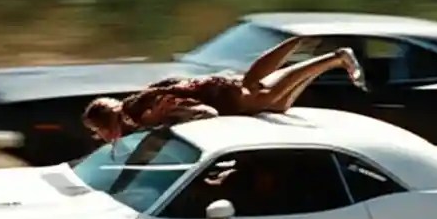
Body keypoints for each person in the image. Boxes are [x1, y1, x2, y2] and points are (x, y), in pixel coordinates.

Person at [81, 36, 367, 145]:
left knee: (262, 97)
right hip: (217, 86)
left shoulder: (140, 116)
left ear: (108, 125)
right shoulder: (136, 106)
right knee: (275, 104)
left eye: (99, 133)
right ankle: (329, 58)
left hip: (221, 97)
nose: (102, 139)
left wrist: (163, 125)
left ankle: (334, 57)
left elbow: (206, 113)